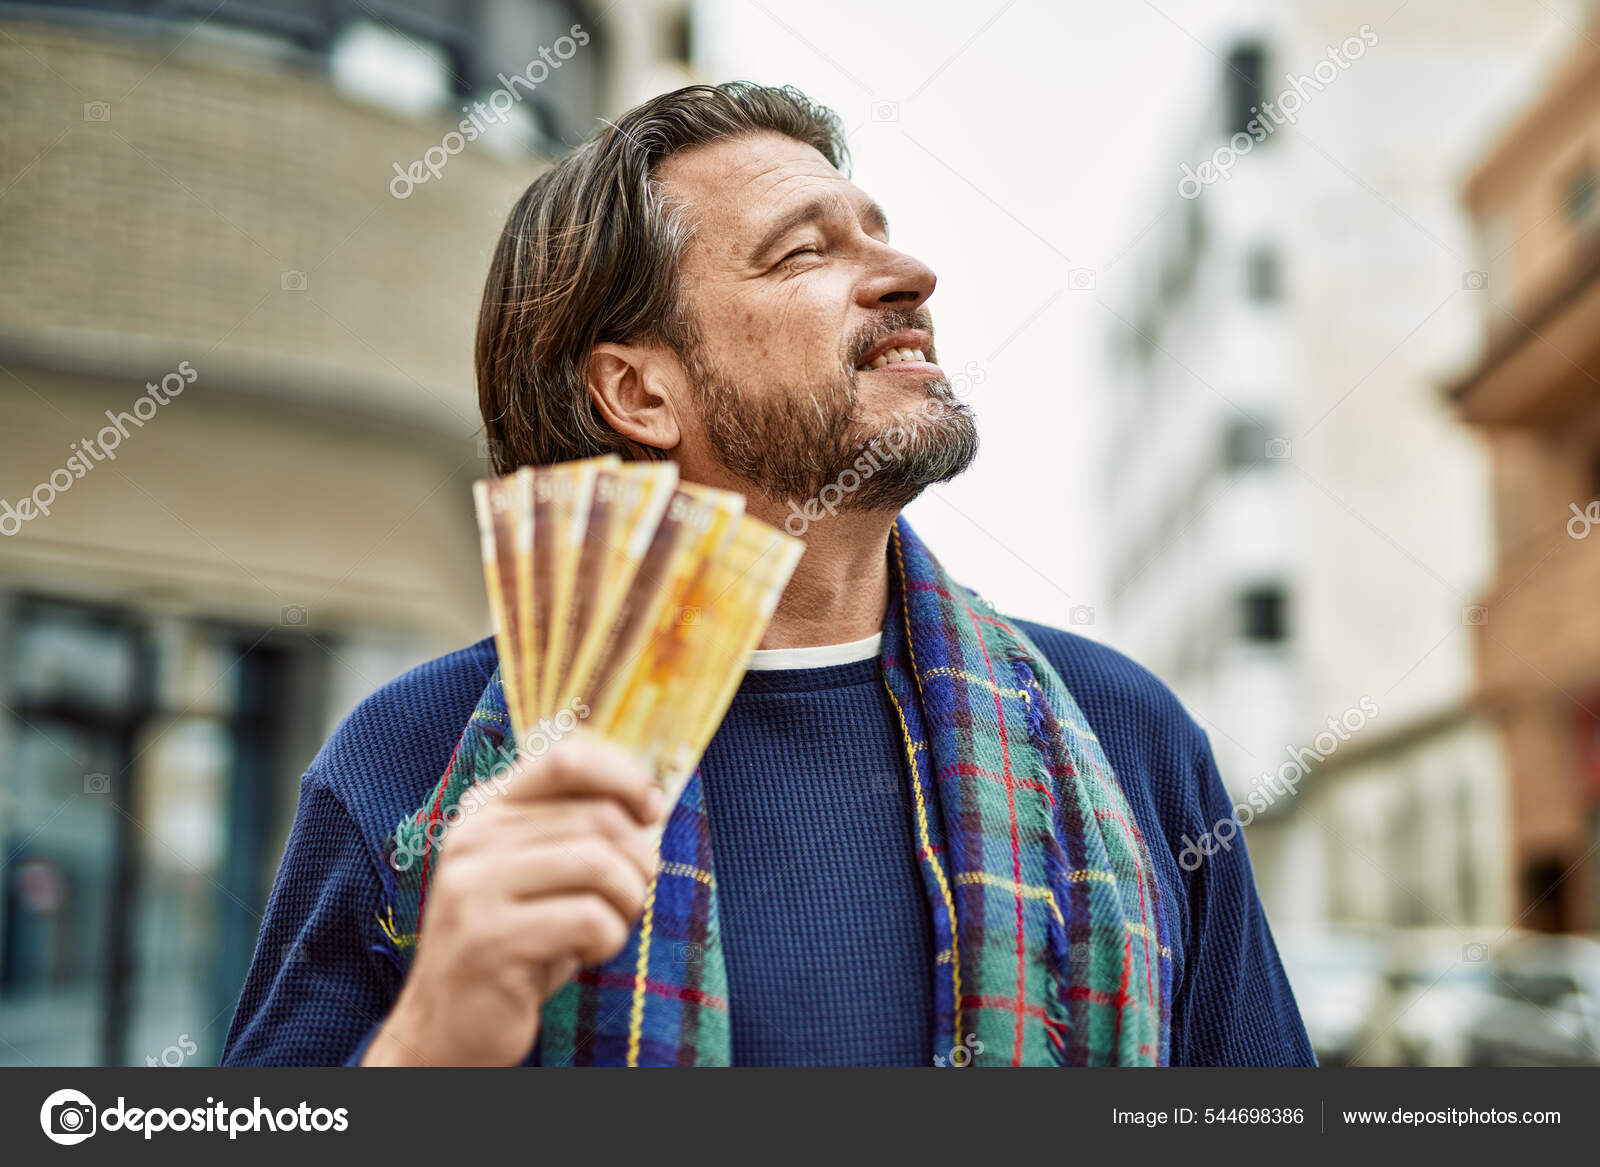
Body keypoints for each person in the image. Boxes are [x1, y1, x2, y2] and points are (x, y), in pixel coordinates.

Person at [222, 81, 1313, 1068]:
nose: (909, 275)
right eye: (804, 253)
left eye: (877, 234)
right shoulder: (412, 764)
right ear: (640, 393)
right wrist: (433, 1040)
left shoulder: (1125, 734)